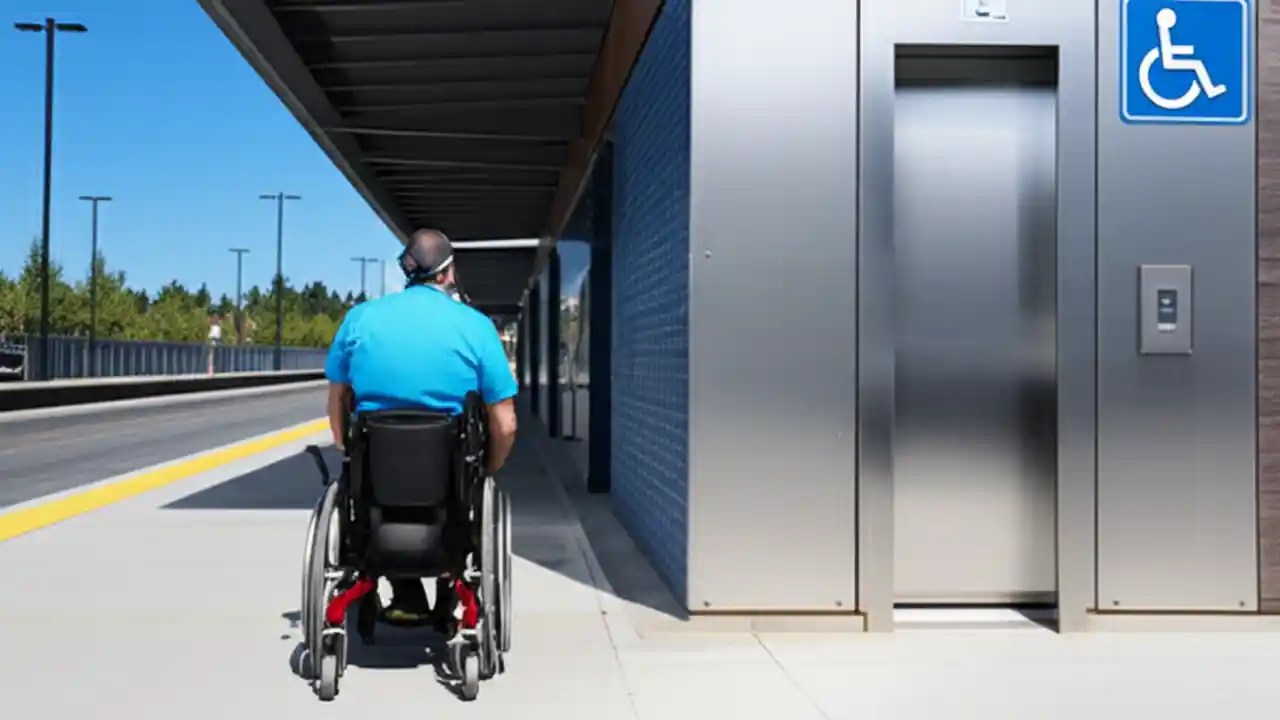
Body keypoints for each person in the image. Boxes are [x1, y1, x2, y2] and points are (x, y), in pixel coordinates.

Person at [324, 228, 519, 629]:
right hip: (449, 481)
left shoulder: (359, 319)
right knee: (462, 479)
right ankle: (450, 589)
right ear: (447, 274)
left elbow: (337, 404)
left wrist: (350, 451)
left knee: (368, 492)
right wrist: (489, 469)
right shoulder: (477, 326)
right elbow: (505, 422)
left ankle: (403, 591)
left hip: (375, 476)